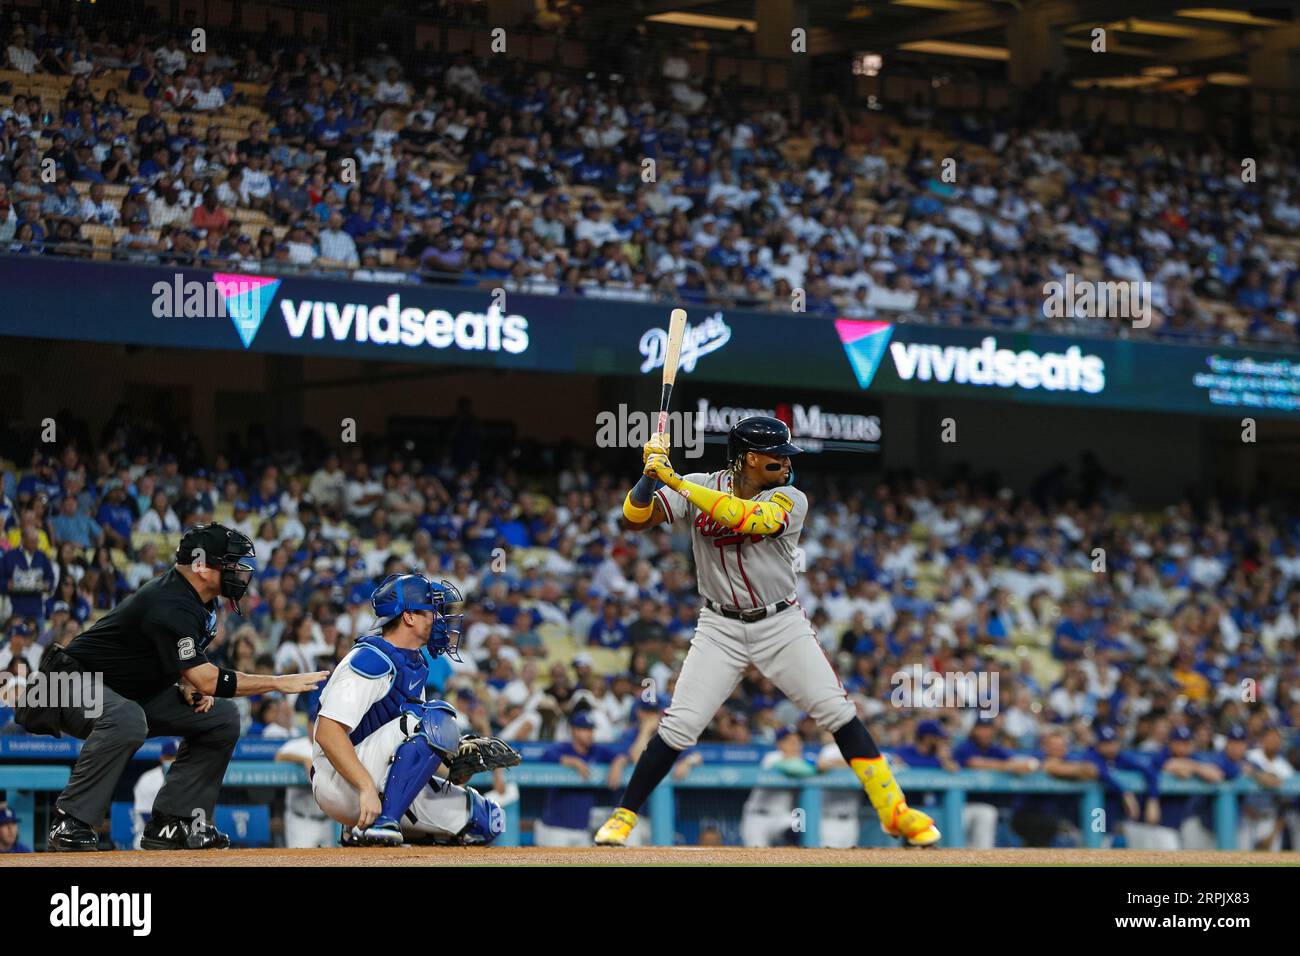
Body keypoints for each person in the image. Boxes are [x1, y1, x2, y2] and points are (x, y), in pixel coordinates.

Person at [595, 418, 938, 847]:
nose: (786, 464)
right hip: (719, 625)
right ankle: (624, 816)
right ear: (749, 458)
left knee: (836, 710)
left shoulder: (790, 498)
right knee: (681, 724)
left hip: (780, 622)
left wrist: (675, 480)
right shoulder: (702, 482)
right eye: (776, 458)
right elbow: (633, 519)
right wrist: (648, 478)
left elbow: (746, 520)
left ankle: (895, 812)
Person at [20, 523, 328, 852]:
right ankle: (71, 820)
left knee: (220, 716)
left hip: (125, 692)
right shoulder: (170, 602)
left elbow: (165, 658)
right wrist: (277, 683)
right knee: (128, 719)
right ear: (200, 566)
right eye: (230, 563)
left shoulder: (201, 600)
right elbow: (207, 679)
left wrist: (183, 679)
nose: (239, 571)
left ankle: (174, 822)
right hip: (67, 684)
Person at [310, 572, 519, 846]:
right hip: (339, 781)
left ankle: (365, 831)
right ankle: (384, 824)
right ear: (408, 616)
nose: (439, 619)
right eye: (432, 611)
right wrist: (364, 787)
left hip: (376, 779)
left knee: (485, 820)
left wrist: (452, 766)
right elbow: (327, 733)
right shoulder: (371, 658)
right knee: (435, 717)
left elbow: (407, 747)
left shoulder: (415, 664)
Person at [892, 719, 998, 848]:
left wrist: (944, 759)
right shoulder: (904, 752)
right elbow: (896, 764)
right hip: (907, 807)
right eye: (937, 737)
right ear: (927, 738)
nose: (940, 741)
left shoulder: (939, 757)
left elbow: (955, 769)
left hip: (936, 809)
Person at [535, 710, 629, 846]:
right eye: (584, 729)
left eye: (591, 730)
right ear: (573, 730)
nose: (589, 734)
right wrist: (572, 761)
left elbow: (623, 755)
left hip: (582, 829)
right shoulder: (563, 748)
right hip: (556, 828)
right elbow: (544, 756)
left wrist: (617, 764)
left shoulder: (596, 750)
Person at [741, 725, 812, 847]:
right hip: (758, 817)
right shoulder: (772, 757)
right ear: (780, 744)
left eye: (798, 742)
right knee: (757, 859)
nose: (796, 746)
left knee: (798, 828)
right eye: (791, 742)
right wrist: (813, 767)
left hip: (782, 817)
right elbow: (793, 767)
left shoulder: (803, 760)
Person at [275, 724, 336, 848]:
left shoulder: (332, 745)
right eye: (314, 724)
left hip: (327, 821)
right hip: (302, 821)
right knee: (300, 862)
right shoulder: (297, 745)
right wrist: (303, 759)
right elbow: (279, 757)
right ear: (308, 726)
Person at [130, 740, 178, 849]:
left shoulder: (189, 780)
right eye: (170, 757)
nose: (174, 760)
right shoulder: (147, 780)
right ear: (162, 758)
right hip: (150, 835)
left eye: (177, 757)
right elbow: (147, 817)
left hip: (179, 833)